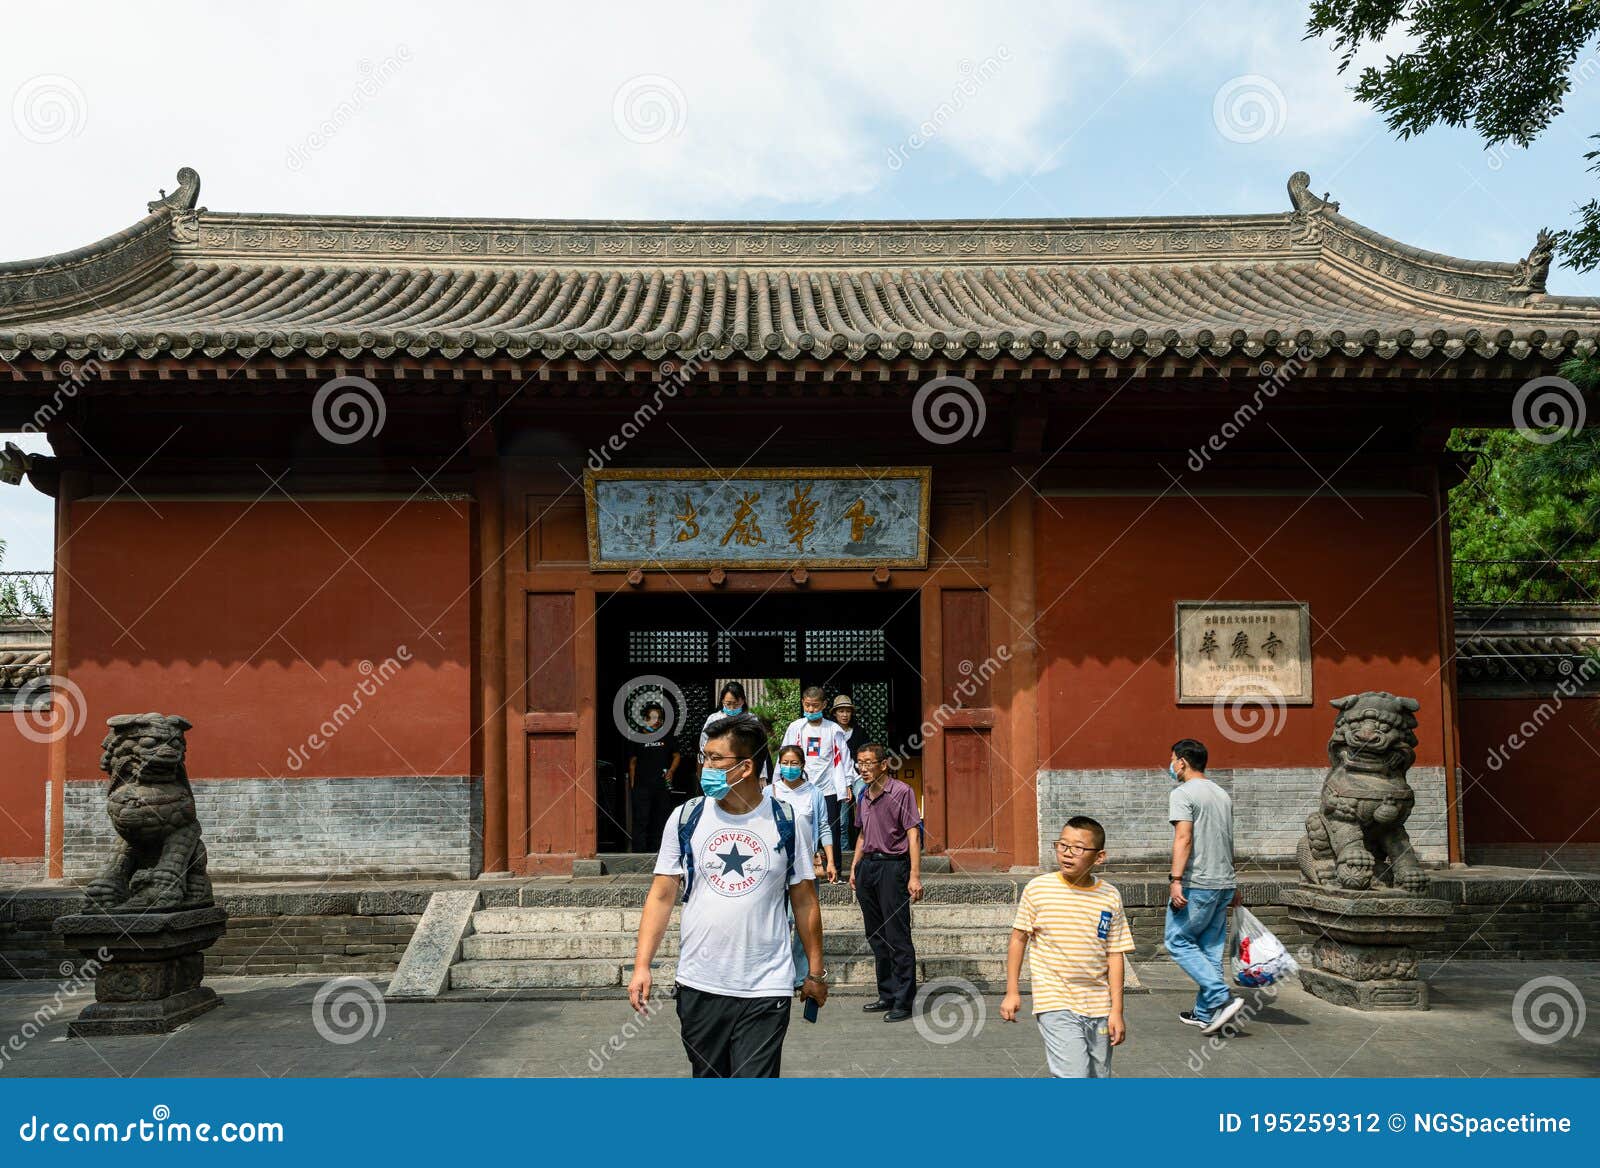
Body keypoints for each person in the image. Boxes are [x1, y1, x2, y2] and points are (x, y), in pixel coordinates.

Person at [630, 713, 828, 1077]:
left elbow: (804, 899)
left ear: (746, 767)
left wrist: (815, 971)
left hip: (766, 986)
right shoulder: (685, 817)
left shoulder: (787, 821)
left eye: (715, 759)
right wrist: (642, 964)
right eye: (704, 757)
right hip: (699, 984)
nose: (705, 766)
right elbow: (661, 896)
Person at [1000, 817, 1133, 1077]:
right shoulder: (1038, 889)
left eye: (1078, 848)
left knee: (1098, 1076)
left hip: (1099, 1004)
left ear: (1099, 856)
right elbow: (1018, 939)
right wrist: (1012, 991)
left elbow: (1115, 955)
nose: (1067, 854)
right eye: (1062, 845)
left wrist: (1116, 1010)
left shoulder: (1109, 896)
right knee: (1074, 1076)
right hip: (1055, 999)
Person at [1165, 738, 1243, 1036]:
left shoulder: (1183, 793)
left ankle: (1221, 997)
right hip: (1223, 882)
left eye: (1173, 760)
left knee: (1178, 941)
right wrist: (1233, 881)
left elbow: (1184, 838)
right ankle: (1204, 1012)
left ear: (1182, 761)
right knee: (1210, 948)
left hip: (1198, 883)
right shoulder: (1221, 794)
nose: (1172, 766)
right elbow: (1228, 840)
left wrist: (1175, 880)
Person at [849, 742, 922, 1022]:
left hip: (894, 868)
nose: (863, 768)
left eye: (868, 763)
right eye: (859, 763)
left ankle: (904, 1001)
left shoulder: (901, 792)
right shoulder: (863, 796)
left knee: (897, 936)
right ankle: (887, 993)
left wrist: (914, 875)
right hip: (868, 867)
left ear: (883, 764)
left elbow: (913, 834)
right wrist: (856, 867)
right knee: (876, 934)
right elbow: (862, 835)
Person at [773, 743, 837, 987]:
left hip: (806, 865)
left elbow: (823, 827)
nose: (790, 768)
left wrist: (830, 860)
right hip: (778, 866)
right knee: (780, 920)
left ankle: (801, 974)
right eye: (785, 763)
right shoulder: (771, 792)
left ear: (802, 765)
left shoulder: (814, 793)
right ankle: (779, 971)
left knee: (804, 920)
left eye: (794, 763)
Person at [782, 687, 853, 873]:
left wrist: (847, 783)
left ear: (824, 705)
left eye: (815, 706)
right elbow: (785, 754)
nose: (811, 709)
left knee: (831, 829)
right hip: (801, 786)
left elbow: (844, 758)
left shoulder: (833, 729)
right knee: (799, 825)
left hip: (827, 787)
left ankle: (834, 867)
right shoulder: (796, 727)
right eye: (807, 705)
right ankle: (798, 867)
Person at [626, 703, 679, 853]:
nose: (657, 721)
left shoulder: (667, 736)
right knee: (641, 819)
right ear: (645, 719)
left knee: (660, 817)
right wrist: (632, 785)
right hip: (642, 785)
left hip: (661, 784)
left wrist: (671, 771)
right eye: (654, 718)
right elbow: (632, 762)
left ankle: (659, 850)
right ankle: (639, 851)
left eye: (659, 718)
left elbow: (676, 755)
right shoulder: (637, 737)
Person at [830, 694, 863, 850]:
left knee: (864, 803)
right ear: (835, 713)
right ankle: (844, 852)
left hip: (858, 776)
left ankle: (866, 846)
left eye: (847, 711)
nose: (844, 715)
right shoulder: (831, 732)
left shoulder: (859, 732)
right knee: (842, 820)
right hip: (838, 778)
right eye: (841, 711)